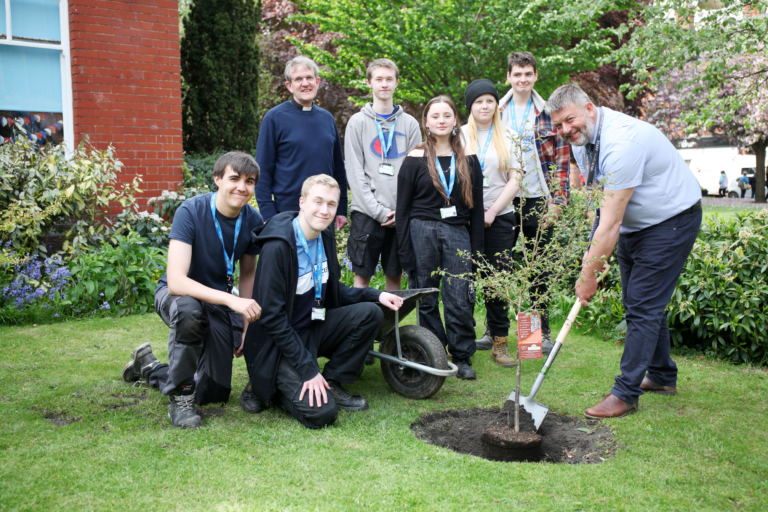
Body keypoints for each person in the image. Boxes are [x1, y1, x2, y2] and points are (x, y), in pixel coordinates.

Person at [547, 84, 702, 419]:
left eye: (570, 120)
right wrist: (592, 258)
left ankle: (625, 394)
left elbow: (610, 223)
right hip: (634, 223)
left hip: (670, 221)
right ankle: (661, 375)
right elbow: (601, 207)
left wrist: (588, 276)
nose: (565, 130)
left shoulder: (621, 143)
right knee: (639, 302)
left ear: (588, 108)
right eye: (558, 125)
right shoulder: (583, 139)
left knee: (643, 306)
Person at [242, 175, 404, 429]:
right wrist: (307, 369)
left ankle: (333, 381)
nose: (324, 210)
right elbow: (272, 318)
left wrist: (376, 294)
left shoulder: (324, 235)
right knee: (322, 414)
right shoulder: (278, 247)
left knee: (371, 313)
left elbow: (330, 289)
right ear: (302, 202)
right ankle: (263, 383)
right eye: (318, 202)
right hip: (277, 343)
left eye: (331, 204)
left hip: (312, 327)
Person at [121, 152, 265, 429]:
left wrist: (247, 325)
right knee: (189, 311)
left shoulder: (252, 219)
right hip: (177, 297)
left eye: (250, 181)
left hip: (217, 301)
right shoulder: (191, 211)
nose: (242, 187)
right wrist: (232, 301)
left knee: (214, 393)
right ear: (217, 179)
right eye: (234, 178)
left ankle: (148, 365)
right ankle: (180, 399)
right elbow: (176, 281)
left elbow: (248, 273)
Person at [477, 51, 569, 355]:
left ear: (536, 76)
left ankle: (538, 334)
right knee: (497, 267)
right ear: (508, 77)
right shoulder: (495, 110)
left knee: (537, 267)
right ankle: (494, 331)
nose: (523, 79)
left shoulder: (547, 112)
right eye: (517, 74)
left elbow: (561, 159)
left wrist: (558, 200)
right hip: (503, 199)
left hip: (537, 198)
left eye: (528, 73)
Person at [397, 95, 484, 380]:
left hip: (457, 232)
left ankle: (462, 354)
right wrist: (405, 251)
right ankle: (435, 351)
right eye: (435, 116)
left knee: (459, 296)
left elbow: (478, 208)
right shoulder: (413, 159)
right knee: (427, 296)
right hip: (421, 230)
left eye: (447, 115)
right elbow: (403, 209)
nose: (441, 121)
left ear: (455, 120)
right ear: (426, 122)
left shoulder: (468, 160)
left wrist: (477, 251)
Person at [344, 59, 421, 291]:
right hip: (367, 213)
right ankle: (361, 326)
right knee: (362, 277)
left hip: (400, 213)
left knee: (394, 276)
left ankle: (391, 327)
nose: (384, 84)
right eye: (379, 79)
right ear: (369, 83)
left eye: (389, 79)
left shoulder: (410, 124)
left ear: (397, 82)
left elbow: (418, 172)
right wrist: (378, 211)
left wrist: (403, 210)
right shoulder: (357, 123)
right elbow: (355, 173)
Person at [461, 79, 522, 368]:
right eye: (478, 101)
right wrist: (474, 212)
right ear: (470, 106)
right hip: (466, 218)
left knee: (497, 282)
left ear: (497, 105)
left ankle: (500, 343)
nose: (484, 106)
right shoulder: (458, 136)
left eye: (489, 100)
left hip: (500, 216)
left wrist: (492, 211)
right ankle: (462, 342)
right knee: (465, 281)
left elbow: (516, 179)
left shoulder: (509, 135)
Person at [255, 56, 348, 230]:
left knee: (324, 258)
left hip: (324, 212)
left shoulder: (327, 119)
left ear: (317, 82)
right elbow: (262, 171)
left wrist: (341, 209)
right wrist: (268, 215)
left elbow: (338, 169)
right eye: (298, 79)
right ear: (289, 86)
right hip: (286, 214)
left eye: (309, 78)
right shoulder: (274, 118)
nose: (305, 83)